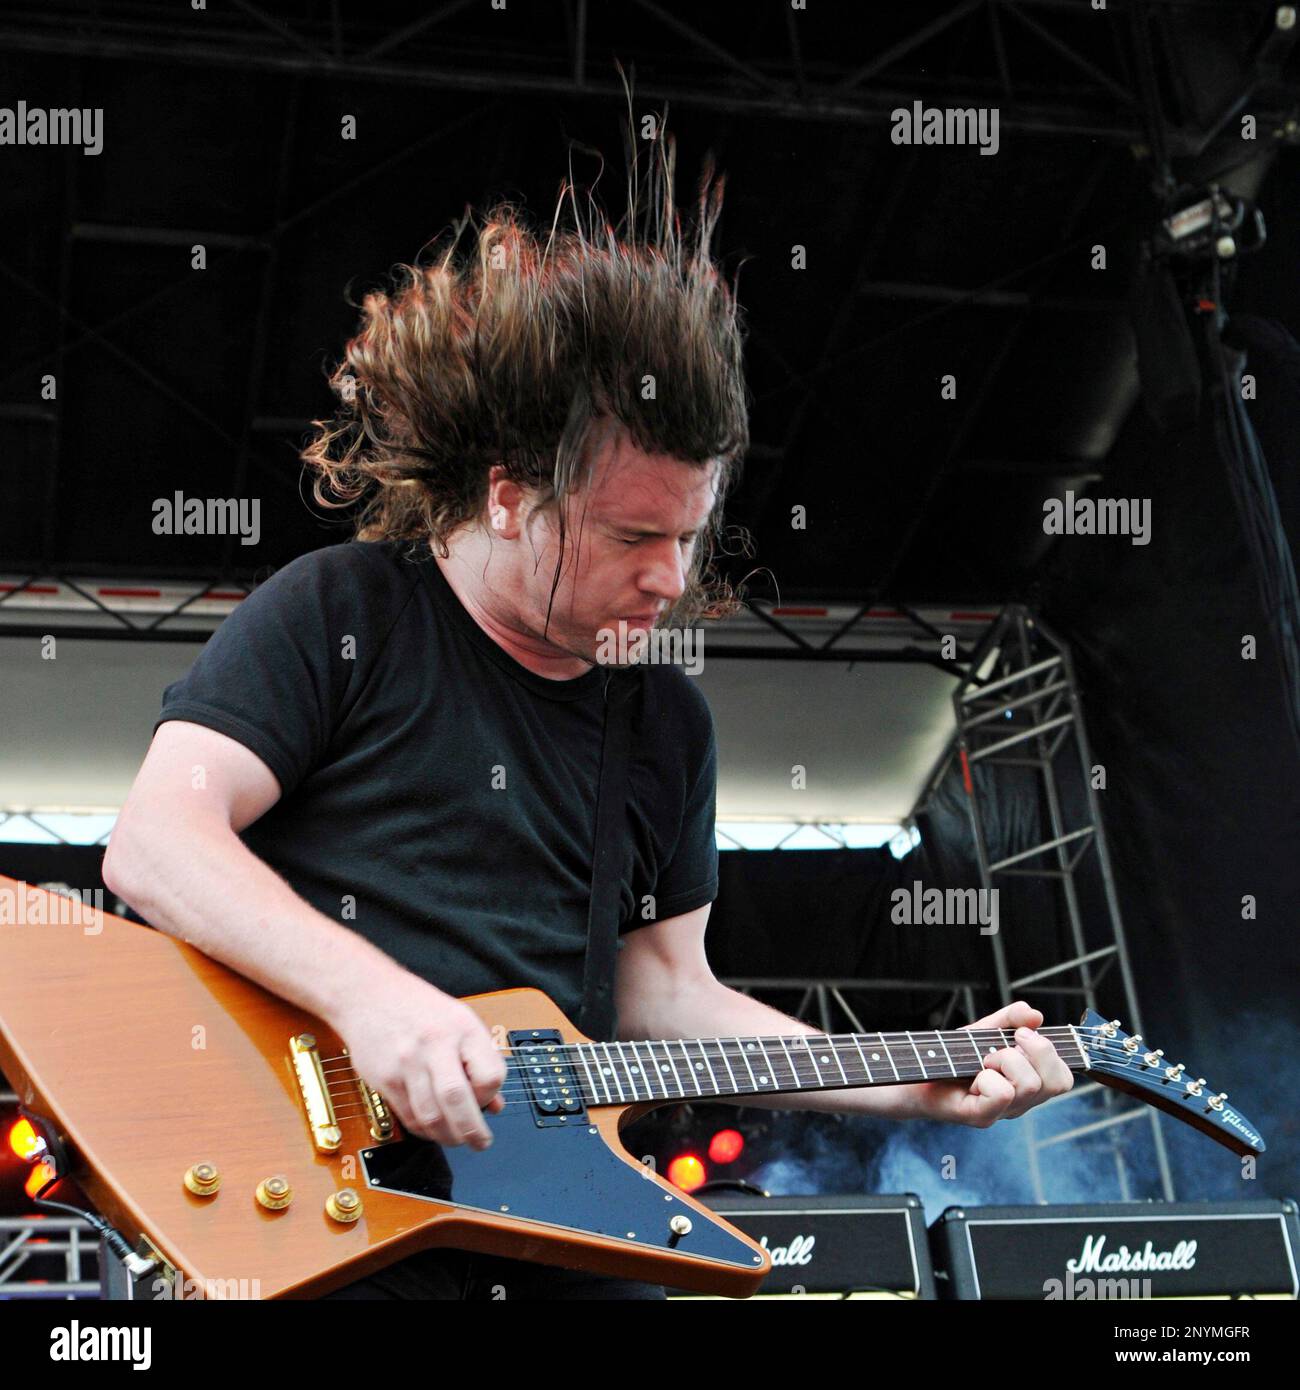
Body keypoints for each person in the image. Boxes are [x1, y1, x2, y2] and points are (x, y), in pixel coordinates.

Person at [102, 136, 1071, 1302]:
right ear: (510, 495)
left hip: (548, 1231)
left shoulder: (664, 727)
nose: (671, 577)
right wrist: (373, 1001)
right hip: (310, 1213)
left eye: (689, 534)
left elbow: (668, 994)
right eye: (631, 536)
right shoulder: (341, 611)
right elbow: (158, 843)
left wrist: (916, 1080)